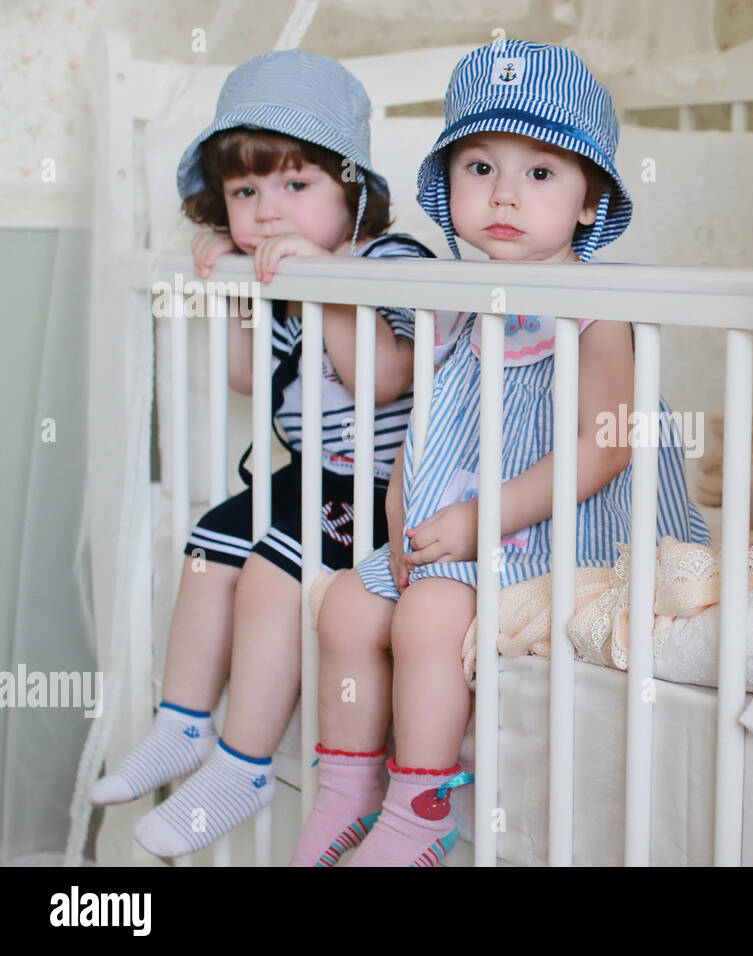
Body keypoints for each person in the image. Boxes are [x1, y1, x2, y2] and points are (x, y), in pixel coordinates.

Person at [292, 39, 711, 867]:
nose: (506, 193)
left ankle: (421, 811)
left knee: (427, 620)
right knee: (344, 606)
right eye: (479, 167)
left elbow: (604, 449)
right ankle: (345, 792)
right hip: (454, 516)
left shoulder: (598, 304)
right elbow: (429, 410)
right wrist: (399, 502)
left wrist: (483, 519)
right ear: (448, 186)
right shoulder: (449, 298)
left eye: (542, 173)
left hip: (557, 523)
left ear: (591, 204)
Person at [90, 50, 435, 858]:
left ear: (352, 189)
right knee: (211, 543)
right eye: (245, 193)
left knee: (276, 571)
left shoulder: (392, 263)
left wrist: (323, 283)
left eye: (295, 185)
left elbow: (386, 377)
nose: (267, 211)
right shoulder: (281, 275)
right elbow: (250, 378)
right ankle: (180, 723)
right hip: (310, 474)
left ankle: (243, 764)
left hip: (388, 487)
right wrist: (246, 293)